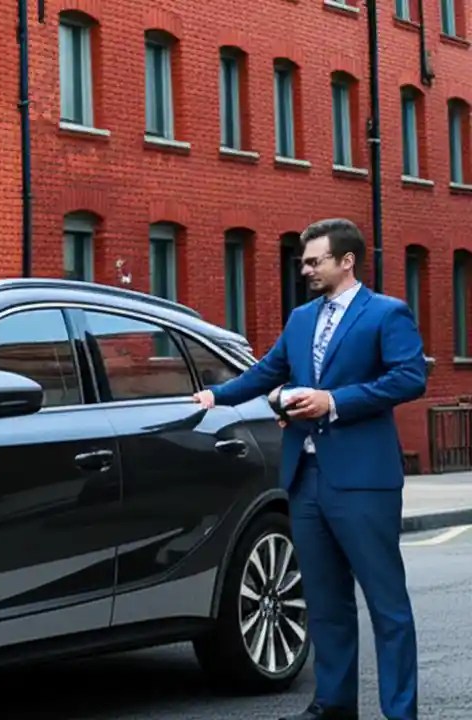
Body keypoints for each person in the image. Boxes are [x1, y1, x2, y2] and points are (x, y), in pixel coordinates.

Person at [193, 218, 427, 720]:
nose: (305, 269)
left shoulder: (387, 314)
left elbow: (410, 378)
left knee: (387, 606)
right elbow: (267, 372)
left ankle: (400, 711)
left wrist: (333, 401)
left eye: (314, 261)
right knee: (325, 603)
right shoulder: (301, 319)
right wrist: (215, 395)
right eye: (304, 262)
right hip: (306, 479)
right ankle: (335, 705)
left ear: (347, 262)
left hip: (364, 481)